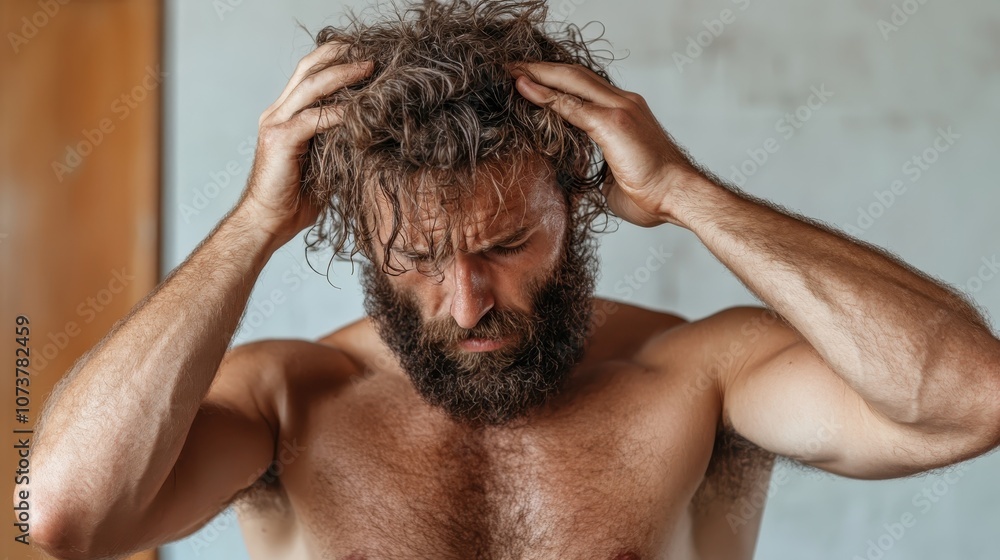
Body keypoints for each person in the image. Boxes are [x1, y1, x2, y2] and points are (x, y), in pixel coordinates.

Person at [23, 1, 1000, 559]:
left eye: (504, 244)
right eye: (416, 257)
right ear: (362, 243)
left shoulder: (700, 381)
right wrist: (249, 224)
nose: (466, 300)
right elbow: (57, 511)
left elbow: (968, 397)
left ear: (575, 203)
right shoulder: (288, 399)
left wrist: (685, 189)